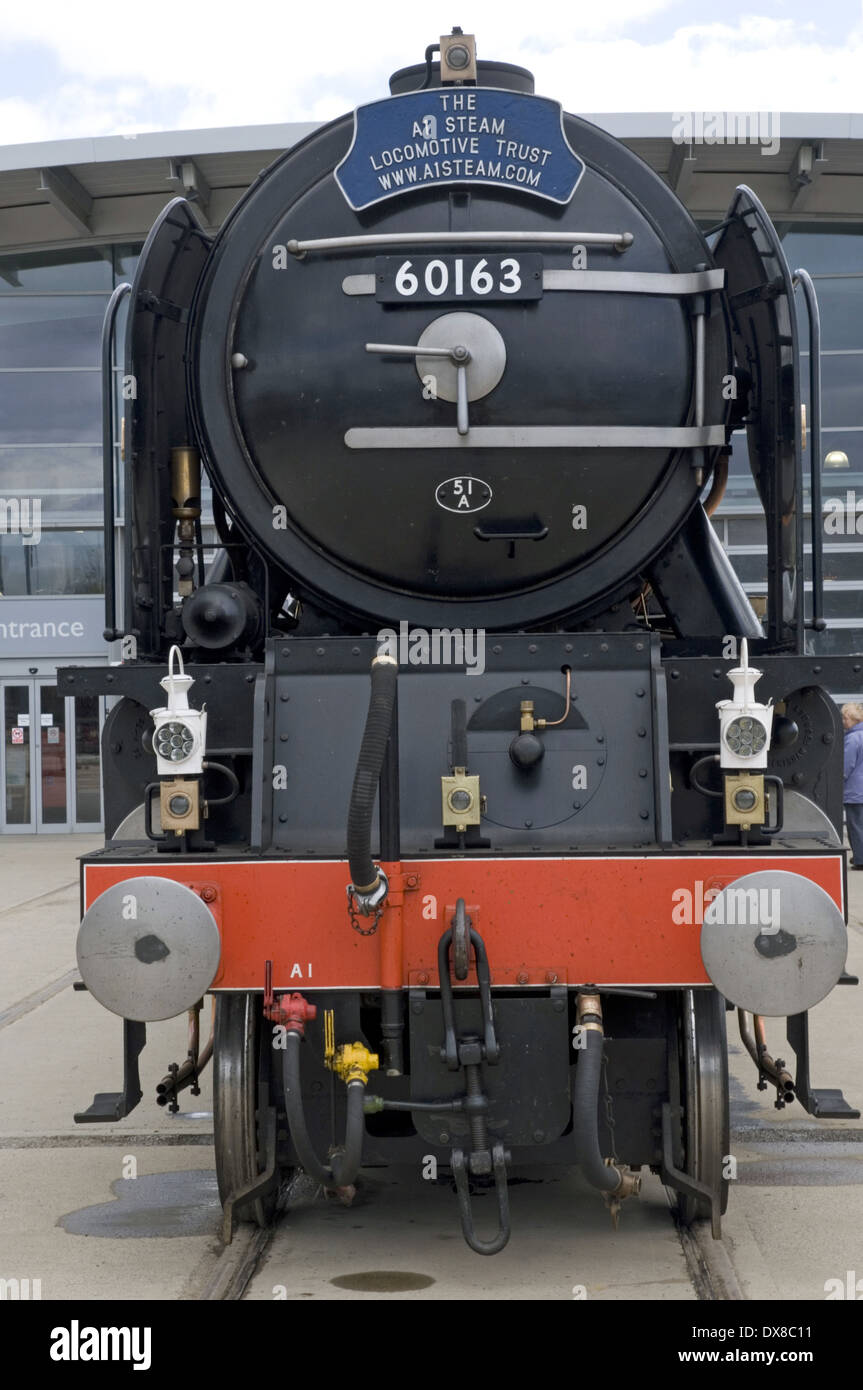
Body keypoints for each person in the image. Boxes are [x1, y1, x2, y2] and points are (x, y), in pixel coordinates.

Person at [842, 703, 863, 867]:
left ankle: (860, 859)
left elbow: (846, 766)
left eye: (845, 718)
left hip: (855, 791)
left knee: (855, 826)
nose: (843, 721)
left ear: (854, 719)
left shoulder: (852, 738)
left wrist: (838, 780)